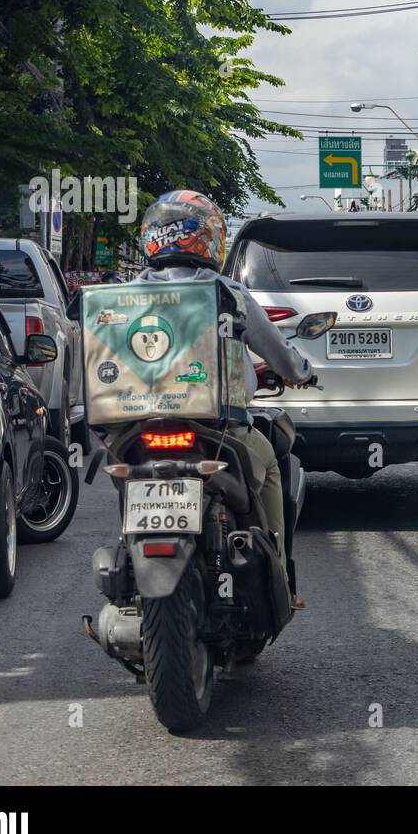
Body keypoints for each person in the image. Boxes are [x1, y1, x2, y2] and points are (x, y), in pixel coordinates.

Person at [133, 190, 316, 600]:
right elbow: (282, 359)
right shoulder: (227, 292)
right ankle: (278, 584)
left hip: (136, 428)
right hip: (217, 429)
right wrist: (302, 372)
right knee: (270, 467)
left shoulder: (124, 293)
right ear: (208, 238)